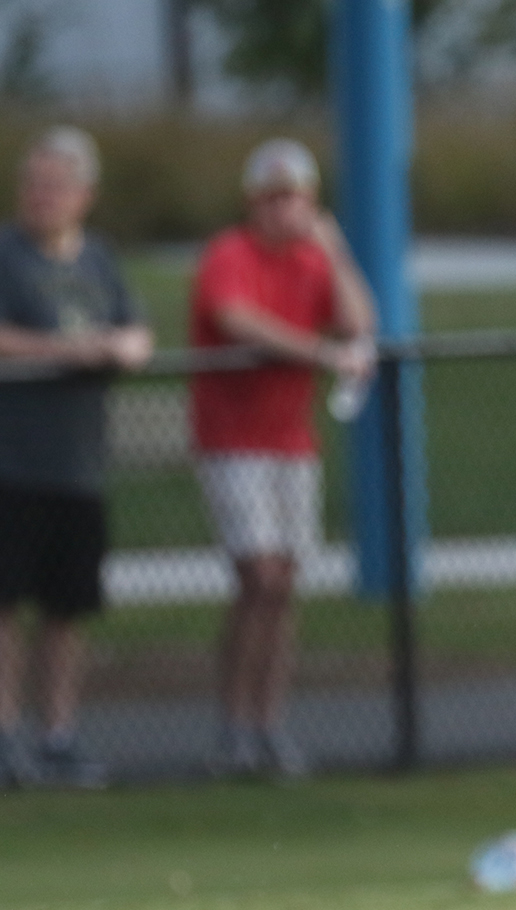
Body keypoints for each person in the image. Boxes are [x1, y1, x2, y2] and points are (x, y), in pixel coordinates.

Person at [189, 138, 375, 779]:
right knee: (259, 578)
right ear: (253, 202)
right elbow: (236, 318)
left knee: (284, 586)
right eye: (272, 198)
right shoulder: (229, 254)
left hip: (290, 441)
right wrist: (316, 354)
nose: (282, 210)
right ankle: (234, 724)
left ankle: (268, 725)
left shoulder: (312, 259)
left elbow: (359, 321)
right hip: (233, 440)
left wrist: (333, 247)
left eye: (293, 197)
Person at [0, 127, 153, 789]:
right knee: (4, 606)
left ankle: (58, 737)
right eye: (33, 184)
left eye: (56, 186)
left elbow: (136, 331)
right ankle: (4, 738)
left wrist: (120, 348)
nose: (42, 197)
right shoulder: (5, 255)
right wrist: (66, 351)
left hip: (78, 464)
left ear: (84, 195)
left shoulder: (98, 261)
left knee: (67, 611)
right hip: (11, 463)